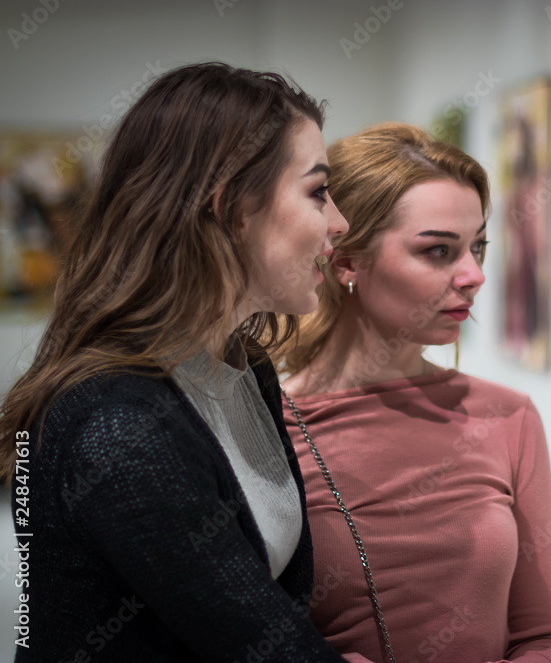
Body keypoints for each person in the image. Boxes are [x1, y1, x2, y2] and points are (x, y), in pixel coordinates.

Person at [0, 62, 371, 662]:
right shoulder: (119, 425)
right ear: (229, 209)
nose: (339, 224)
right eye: (317, 192)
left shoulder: (243, 367)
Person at [277, 123, 551, 663]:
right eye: (438, 251)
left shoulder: (508, 417)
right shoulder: (268, 427)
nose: (474, 275)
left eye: (477, 247)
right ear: (346, 261)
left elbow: (546, 638)